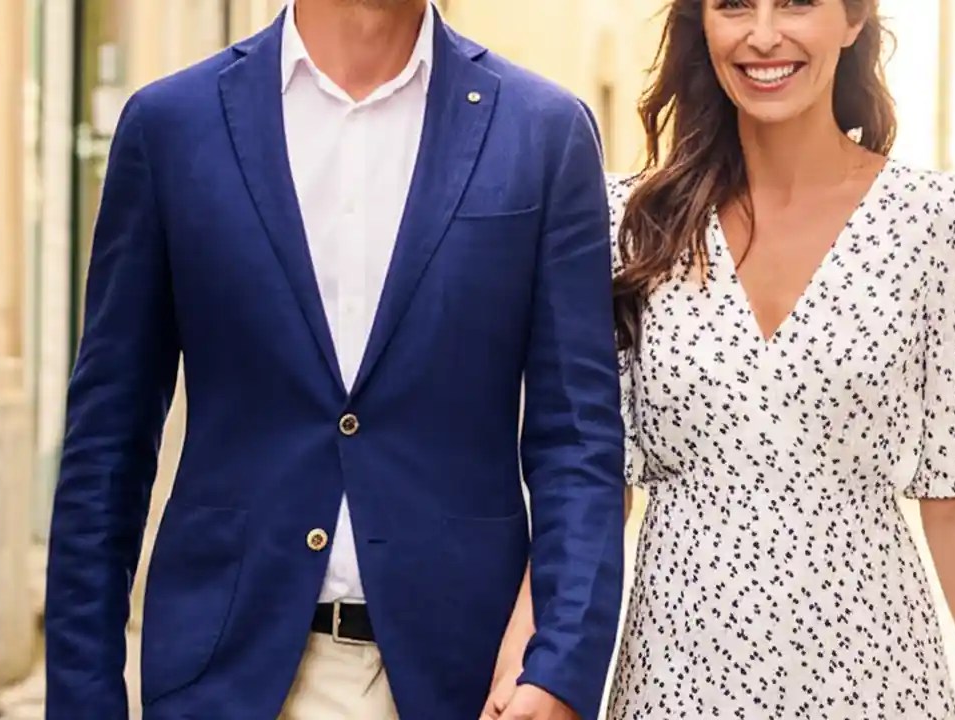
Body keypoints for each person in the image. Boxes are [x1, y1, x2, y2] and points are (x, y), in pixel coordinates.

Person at [44, 1, 625, 718]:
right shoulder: (171, 126)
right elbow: (107, 443)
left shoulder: (542, 132)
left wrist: (562, 670)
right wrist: (83, 699)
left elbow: (579, 442)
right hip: (224, 678)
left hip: (465, 685)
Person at [491, 1, 955, 718]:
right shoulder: (628, 224)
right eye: (734, 6)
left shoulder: (942, 223)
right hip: (676, 679)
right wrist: (523, 664)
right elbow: (591, 482)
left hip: (876, 678)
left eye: (798, 3)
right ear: (704, 26)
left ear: (854, 20)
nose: (764, 34)